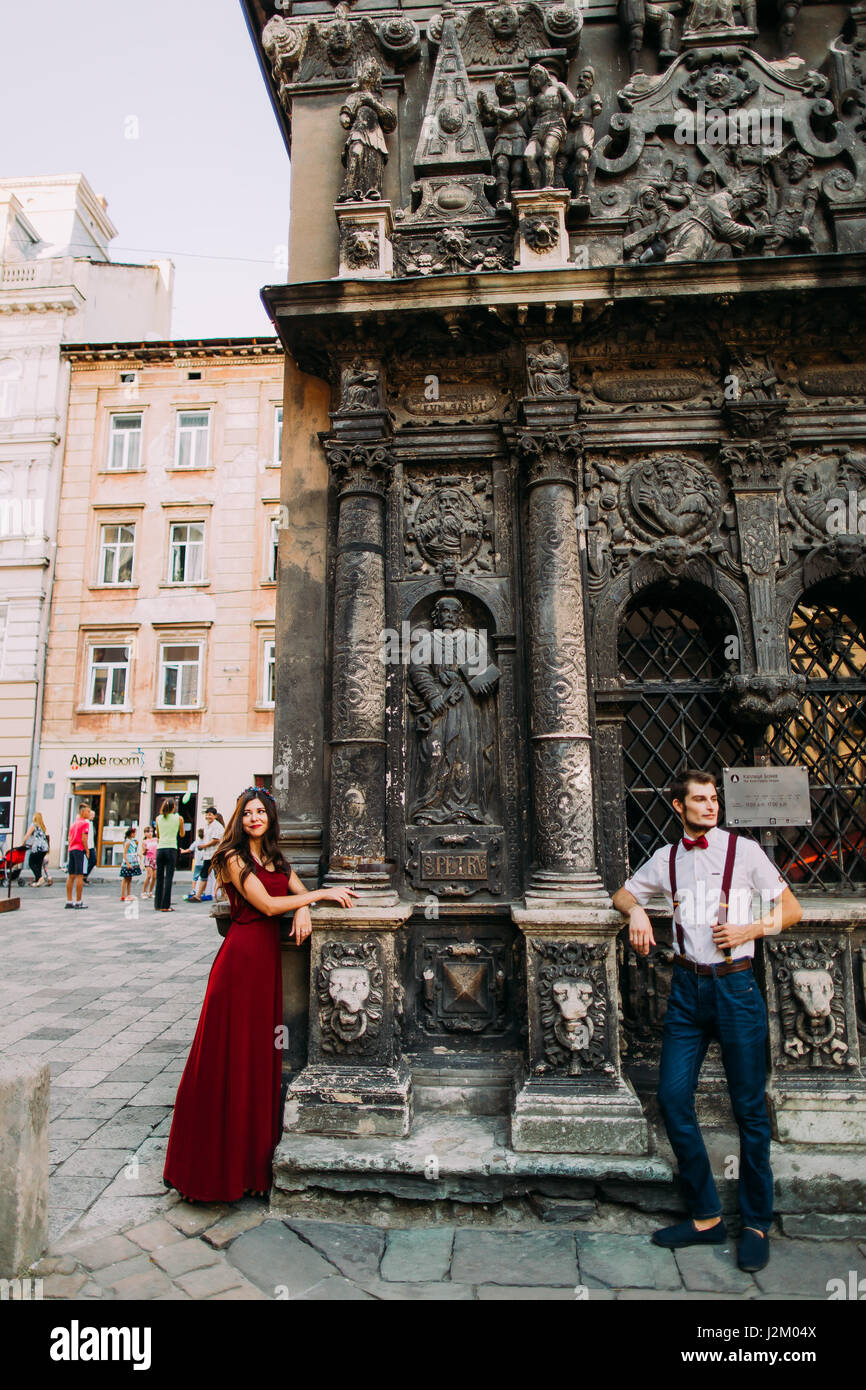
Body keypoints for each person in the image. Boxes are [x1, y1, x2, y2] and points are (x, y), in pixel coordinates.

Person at [612, 768, 802, 1273]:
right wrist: (636, 913)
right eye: (699, 799)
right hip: (688, 991)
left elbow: (792, 909)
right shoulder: (667, 859)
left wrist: (749, 926)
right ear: (679, 806)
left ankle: (757, 1222)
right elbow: (622, 894)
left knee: (748, 1109)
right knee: (673, 1097)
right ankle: (705, 1216)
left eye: (713, 798)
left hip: (737, 987)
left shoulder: (744, 852)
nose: (710, 806)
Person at [162, 786, 357, 1203]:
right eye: (247, 812)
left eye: (261, 812)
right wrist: (318, 896)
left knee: (255, 1060)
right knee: (225, 1059)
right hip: (239, 961)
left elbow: (291, 891)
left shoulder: (277, 859)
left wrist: (302, 906)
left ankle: (247, 1172)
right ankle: (206, 1175)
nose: (254, 818)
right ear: (240, 818)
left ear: (270, 819)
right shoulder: (233, 857)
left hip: (265, 965)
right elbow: (268, 905)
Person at [186, 808, 223, 903]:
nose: (208, 816)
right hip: (208, 855)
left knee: (219, 875)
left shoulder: (217, 826)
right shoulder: (207, 825)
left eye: (210, 814)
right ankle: (198, 896)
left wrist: (204, 846)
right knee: (205, 874)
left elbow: (216, 840)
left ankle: (224, 896)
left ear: (215, 816)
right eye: (207, 814)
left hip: (215, 854)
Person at [154, 798, 182, 913]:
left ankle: (158, 904)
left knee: (159, 877)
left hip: (160, 848)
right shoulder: (179, 818)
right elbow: (182, 833)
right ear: (173, 807)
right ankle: (166, 905)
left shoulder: (158, 818)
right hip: (171, 848)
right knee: (169, 878)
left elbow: (159, 834)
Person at [65, 803, 94, 910]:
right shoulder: (85, 823)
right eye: (87, 811)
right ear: (82, 812)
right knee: (80, 876)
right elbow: (84, 838)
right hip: (79, 850)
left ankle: (68, 901)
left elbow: (69, 837)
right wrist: (87, 850)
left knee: (71, 875)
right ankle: (78, 901)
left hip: (72, 849)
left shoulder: (74, 823)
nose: (89, 813)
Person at [24, 811, 51, 886]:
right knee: (38, 864)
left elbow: (27, 835)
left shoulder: (34, 825)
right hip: (44, 848)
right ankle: (37, 880)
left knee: (31, 862)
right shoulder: (42, 826)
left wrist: (23, 843)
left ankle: (39, 878)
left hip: (38, 848)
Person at [119, 827, 141, 902]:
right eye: (134, 833)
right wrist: (127, 863)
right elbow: (125, 853)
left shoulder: (133, 841)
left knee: (129, 878)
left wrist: (138, 855)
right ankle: (123, 895)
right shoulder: (128, 842)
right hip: (128, 861)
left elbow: (133, 851)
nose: (135, 834)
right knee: (125, 878)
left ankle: (128, 894)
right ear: (131, 834)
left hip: (132, 860)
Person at [141, 826, 157, 899]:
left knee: (154, 877)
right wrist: (145, 850)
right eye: (148, 832)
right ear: (145, 833)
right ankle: (143, 892)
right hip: (148, 859)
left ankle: (150, 892)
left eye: (151, 831)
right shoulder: (144, 841)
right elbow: (143, 852)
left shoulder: (156, 839)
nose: (150, 833)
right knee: (149, 875)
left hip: (155, 859)